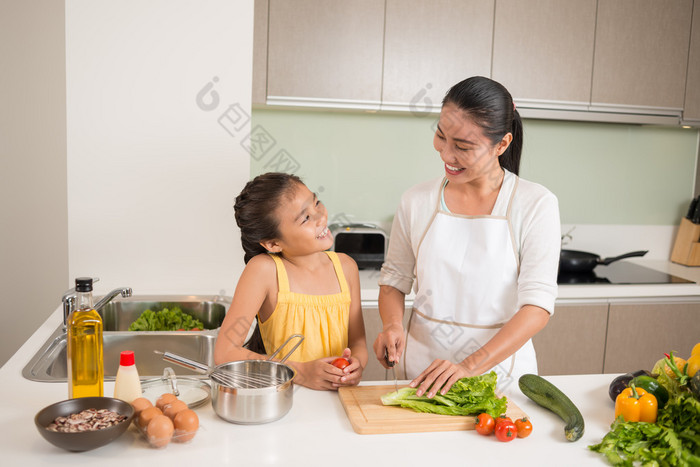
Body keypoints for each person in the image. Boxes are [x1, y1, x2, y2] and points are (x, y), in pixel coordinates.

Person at [374, 76, 561, 398]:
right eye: (440, 136)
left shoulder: (535, 204)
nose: (447, 154)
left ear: (501, 144)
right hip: (423, 373)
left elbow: (537, 307)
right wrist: (392, 324)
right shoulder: (416, 200)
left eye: (462, 146)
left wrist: (468, 366)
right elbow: (394, 279)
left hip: (501, 377)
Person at [214, 172, 368, 390]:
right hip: (285, 402)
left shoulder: (346, 267)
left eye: (316, 203)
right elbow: (225, 352)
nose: (320, 217)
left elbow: (358, 342)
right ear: (273, 243)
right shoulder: (263, 271)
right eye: (305, 218)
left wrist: (357, 364)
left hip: (339, 402)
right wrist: (300, 372)